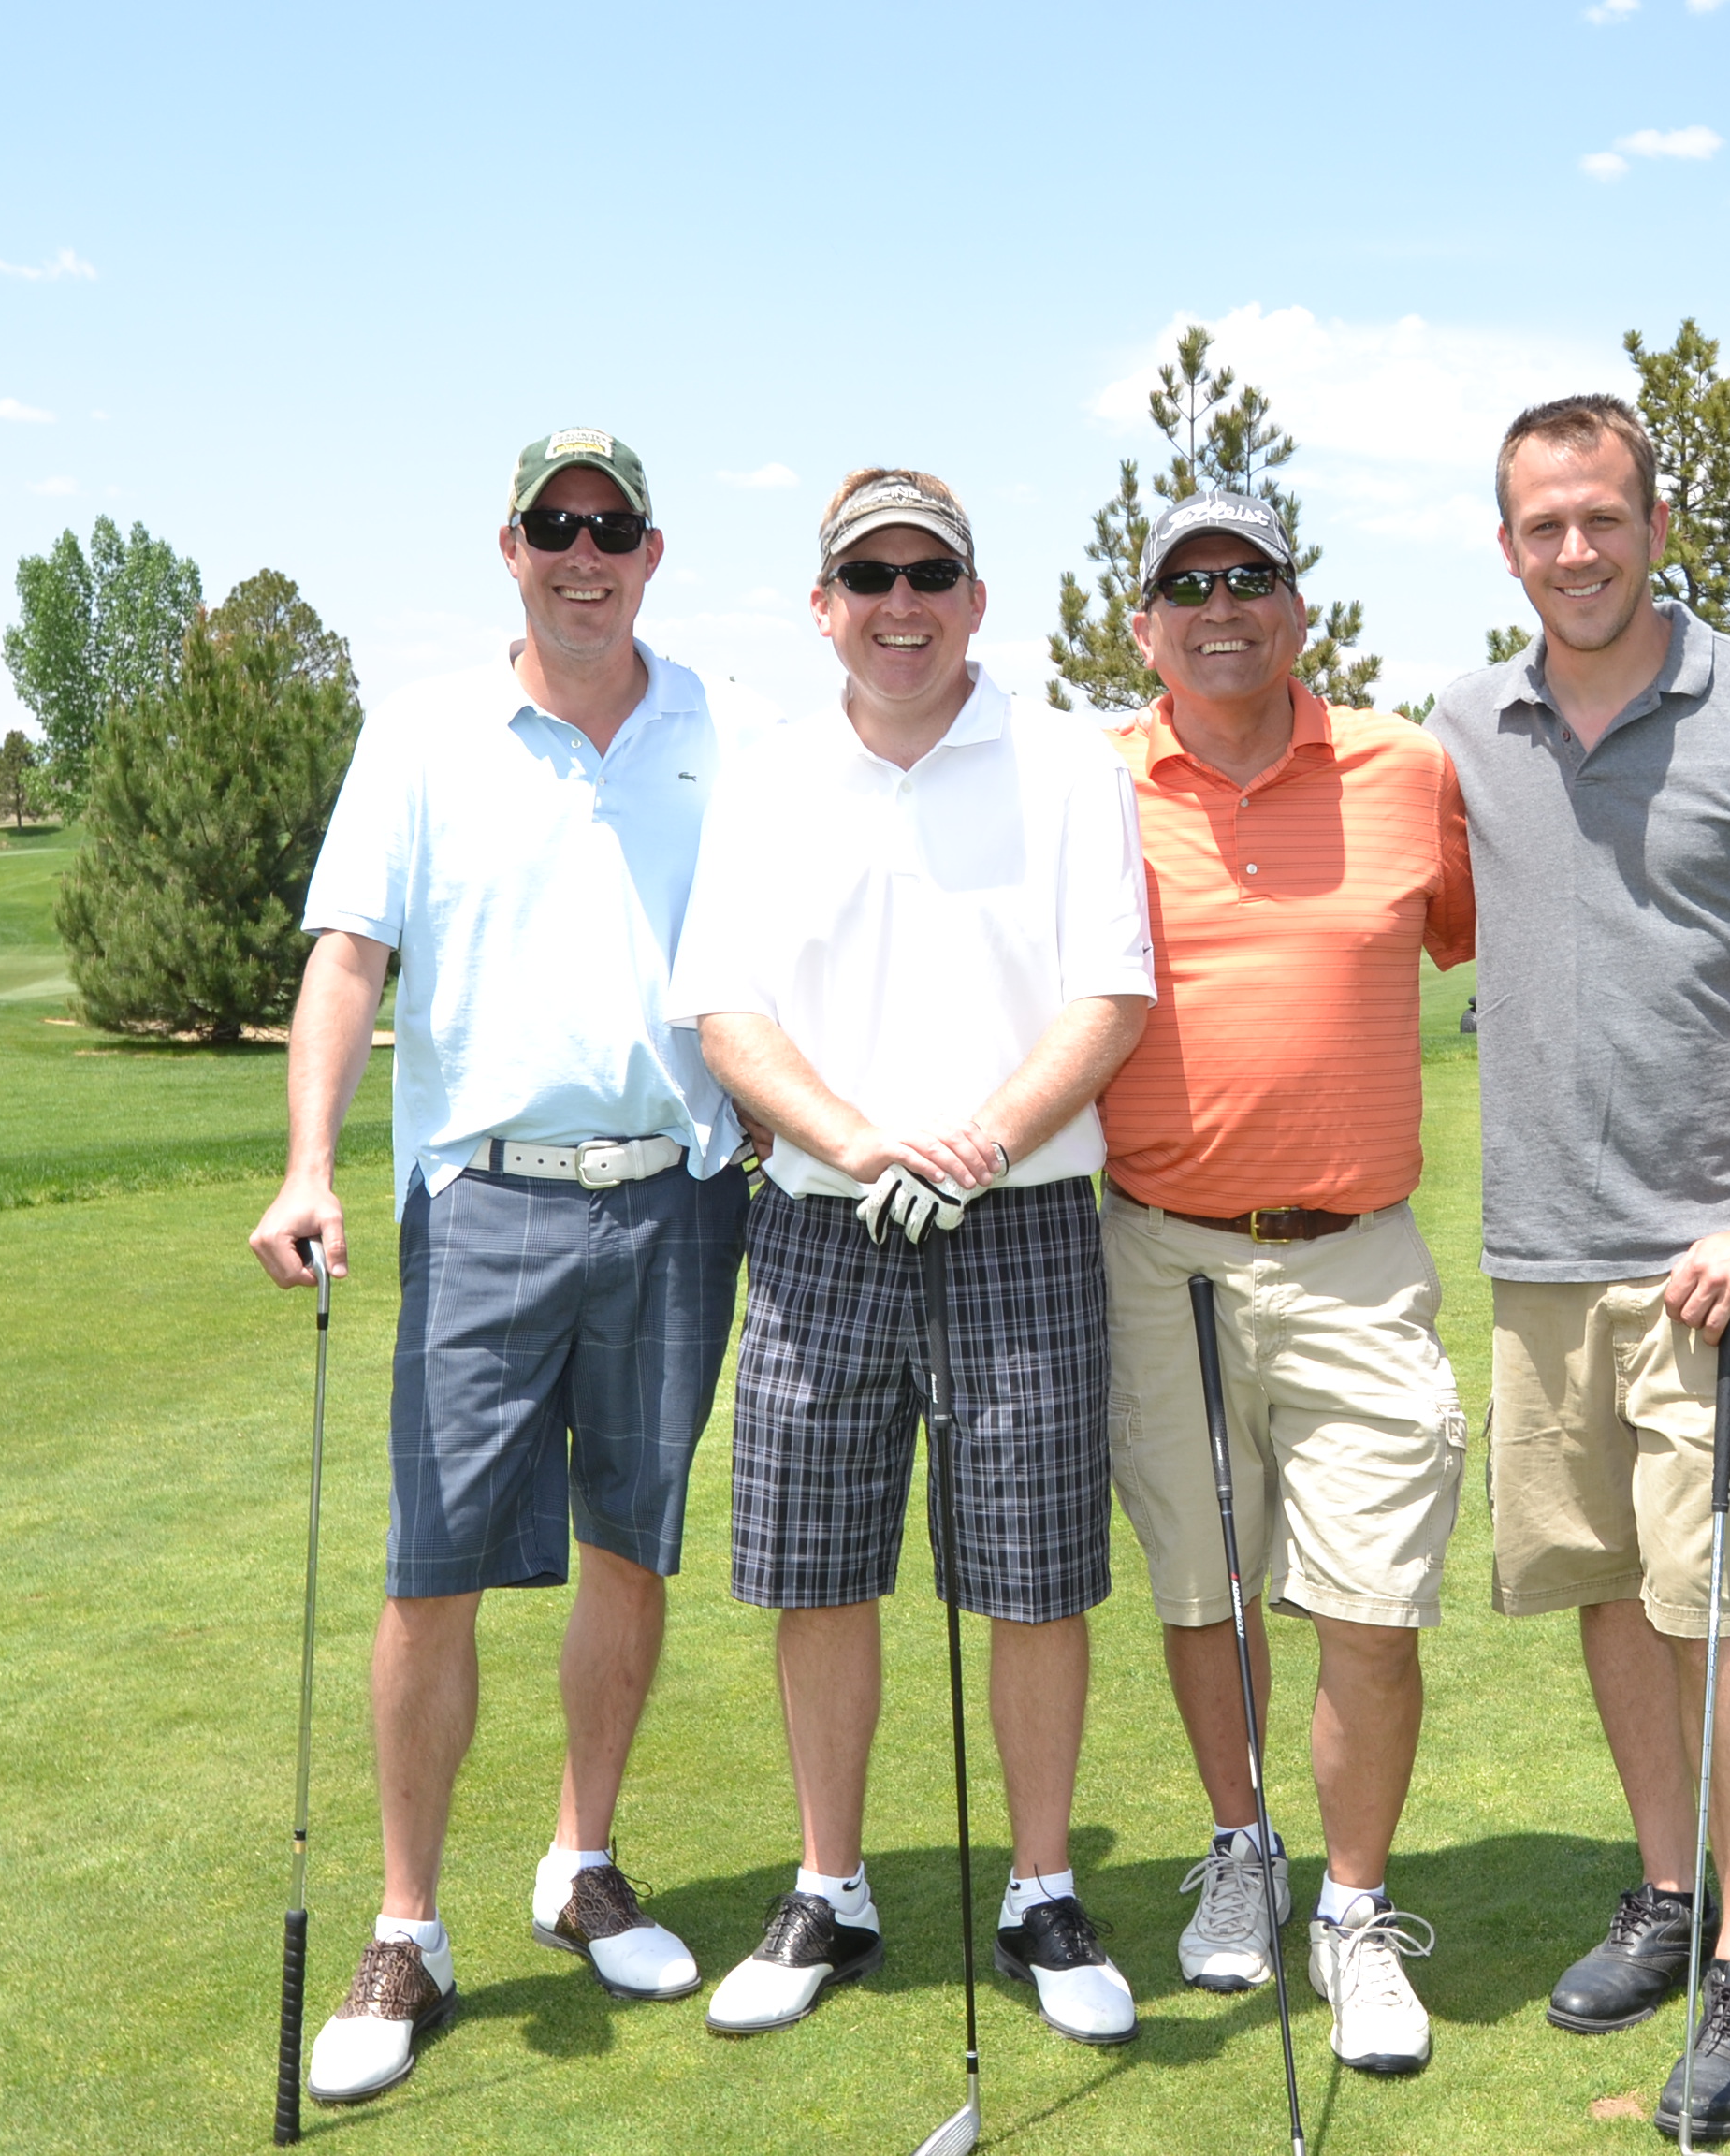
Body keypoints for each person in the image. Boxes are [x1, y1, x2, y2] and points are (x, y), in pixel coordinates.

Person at [248, 427, 774, 2105]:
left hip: (679, 1196)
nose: (583, 553)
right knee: (436, 1570)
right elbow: (348, 961)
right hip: (482, 1199)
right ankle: (409, 1925)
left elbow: (784, 942)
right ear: (511, 545)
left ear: (652, 549)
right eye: (556, 527)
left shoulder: (716, 728)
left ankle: (581, 1862)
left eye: (610, 528)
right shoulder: (421, 733)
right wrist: (310, 1163)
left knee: (632, 1546)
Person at [1425, 395, 1730, 2142]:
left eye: (1602, 520)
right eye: (1542, 526)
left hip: (1722, 1259)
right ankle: (1665, 1893)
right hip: (1543, 1248)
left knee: (1717, 1606)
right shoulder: (1464, 724)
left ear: (1654, 524)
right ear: (1507, 544)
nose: (1575, 552)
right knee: (1612, 1594)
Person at [668, 469, 1158, 2047]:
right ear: (824, 606)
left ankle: (1039, 1886)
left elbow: (1111, 995)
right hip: (823, 1218)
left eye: (927, 573)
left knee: (1031, 1571)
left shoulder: (1066, 763)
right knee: (817, 1565)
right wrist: (860, 1134)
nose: (899, 603)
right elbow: (726, 1006)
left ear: (974, 598)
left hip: (1014, 1217)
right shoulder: (774, 776)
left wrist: (981, 1143)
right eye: (866, 576)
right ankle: (831, 1885)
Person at [1093, 490, 1476, 2076]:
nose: (1221, 605)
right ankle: (1244, 1854)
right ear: (1143, 628)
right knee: (1204, 1589)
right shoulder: (1089, 787)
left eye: (1251, 577)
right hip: (1156, 1251)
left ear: (1299, 610)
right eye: (1188, 586)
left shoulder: (1408, 771)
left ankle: (1357, 1911)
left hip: (1356, 1259)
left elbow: (1505, 948)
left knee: (1371, 1608)